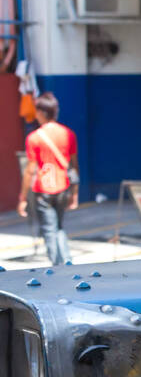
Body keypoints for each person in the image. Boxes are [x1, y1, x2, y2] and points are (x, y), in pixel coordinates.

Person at [18, 92, 79, 266]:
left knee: (49, 230)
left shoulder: (34, 138)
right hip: (63, 187)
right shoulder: (68, 134)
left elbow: (30, 170)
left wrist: (22, 198)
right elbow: (74, 166)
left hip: (43, 189)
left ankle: (56, 266)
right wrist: (75, 193)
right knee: (59, 227)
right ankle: (67, 262)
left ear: (41, 113)